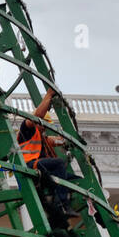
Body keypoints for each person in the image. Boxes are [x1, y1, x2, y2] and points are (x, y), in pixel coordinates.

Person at [17, 88, 78, 219]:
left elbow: (57, 140)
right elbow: (37, 116)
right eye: (44, 124)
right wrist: (49, 95)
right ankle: (61, 203)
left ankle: (97, 215)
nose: (45, 127)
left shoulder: (43, 137)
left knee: (77, 181)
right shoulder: (26, 129)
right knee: (59, 163)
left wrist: (66, 141)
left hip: (41, 168)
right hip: (29, 165)